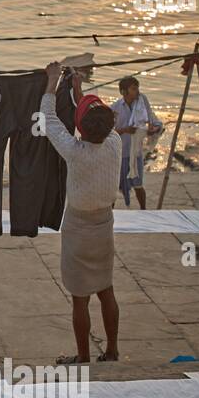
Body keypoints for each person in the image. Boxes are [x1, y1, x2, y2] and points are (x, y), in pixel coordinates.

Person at [41, 62, 122, 364]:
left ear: (81, 129)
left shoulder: (74, 151)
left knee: (80, 298)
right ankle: (112, 350)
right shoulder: (114, 143)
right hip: (104, 225)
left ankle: (84, 356)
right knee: (106, 289)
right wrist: (78, 91)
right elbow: (98, 120)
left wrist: (51, 81)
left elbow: (49, 119)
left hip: (78, 228)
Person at [112, 76, 164, 210]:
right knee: (114, 186)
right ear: (123, 92)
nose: (137, 92)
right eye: (134, 89)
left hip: (136, 154)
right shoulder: (115, 108)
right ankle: (108, 212)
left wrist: (152, 129)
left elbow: (157, 123)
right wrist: (125, 130)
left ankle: (144, 211)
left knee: (138, 185)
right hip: (120, 154)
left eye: (137, 88)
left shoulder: (141, 106)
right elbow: (108, 132)